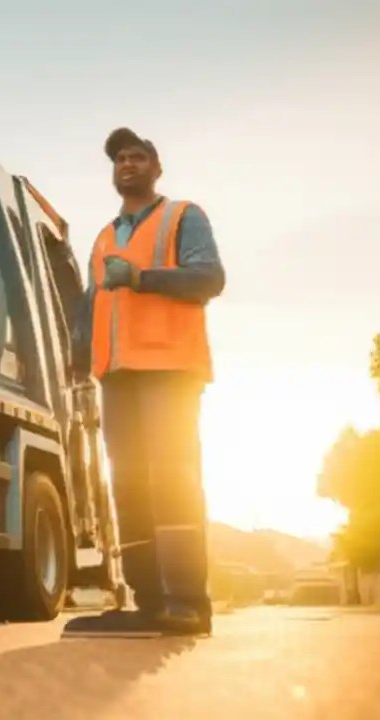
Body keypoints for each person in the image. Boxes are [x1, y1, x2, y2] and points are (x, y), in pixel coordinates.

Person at [64, 128, 225, 637]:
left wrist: (140, 278)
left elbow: (209, 279)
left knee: (172, 478)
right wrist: (76, 356)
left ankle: (187, 602)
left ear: (157, 167)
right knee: (129, 485)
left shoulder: (182, 217)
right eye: (118, 159)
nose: (126, 165)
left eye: (137, 157)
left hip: (170, 372)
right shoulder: (104, 237)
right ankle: (147, 600)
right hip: (118, 377)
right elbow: (93, 305)